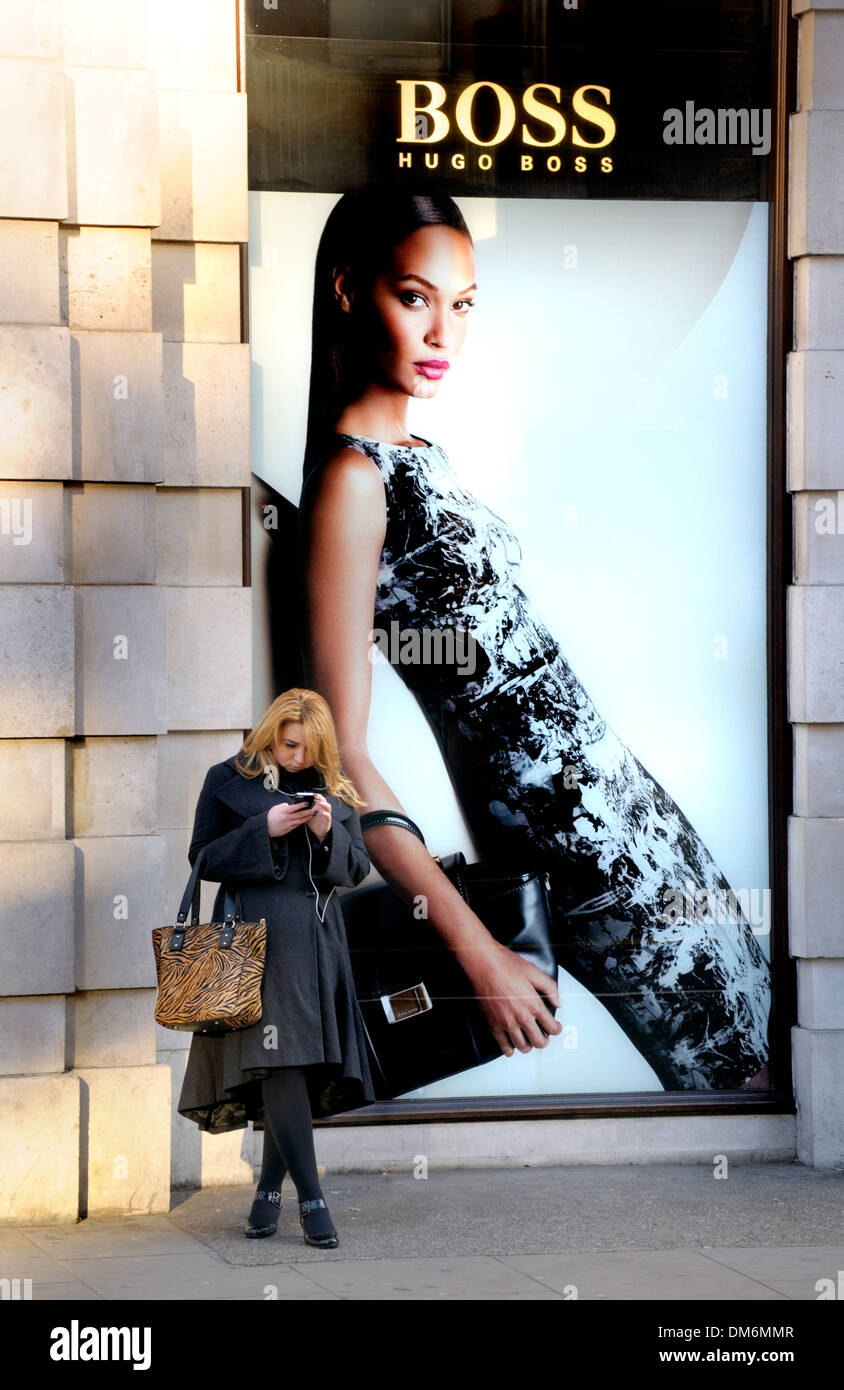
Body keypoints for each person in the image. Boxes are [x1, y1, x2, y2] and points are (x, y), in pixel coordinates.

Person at [296, 189, 771, 1093]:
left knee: (758, 1055)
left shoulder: (422, 454)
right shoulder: (353, 482)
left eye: (463, 303)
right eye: (415, 297)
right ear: (350, 290)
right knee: (734, 1082)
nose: (443, 332)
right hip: (577, 857)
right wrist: (476, 950)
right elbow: (338, 756)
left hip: (635, 814)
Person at [176, 688, 376, 1248]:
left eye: (308, 748)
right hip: (255, 944)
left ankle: (267, 1193)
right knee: (281, 1064)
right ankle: (313, 1200)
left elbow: (357, 868)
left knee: (293, 1068)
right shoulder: (227, 778)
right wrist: (262, 828)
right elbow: (202, 858)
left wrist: (326, 833)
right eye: (289, 745)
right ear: (270, 734)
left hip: (317, 945)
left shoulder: (333, 785)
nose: (297, 757)